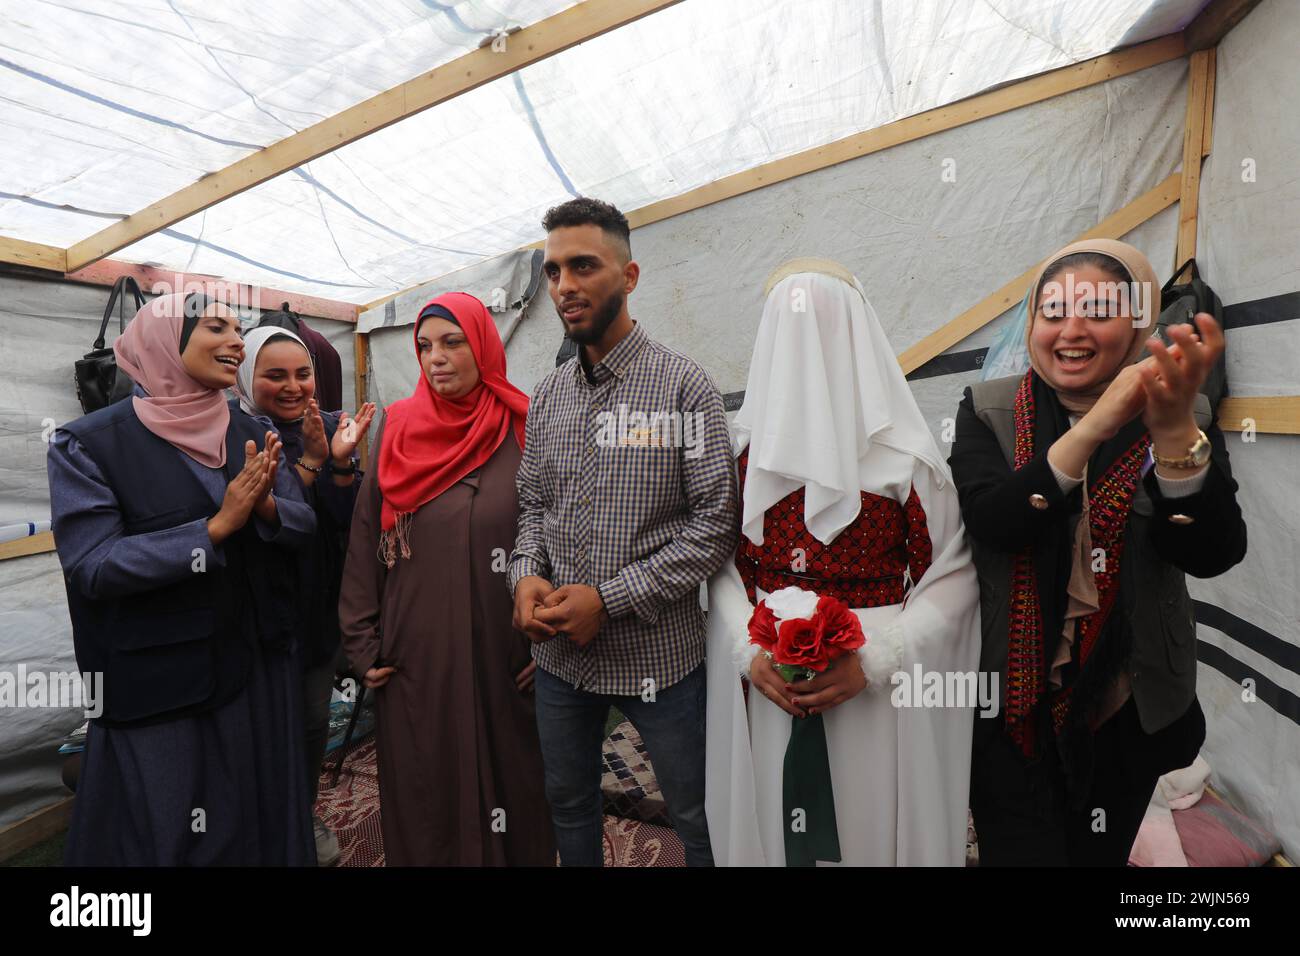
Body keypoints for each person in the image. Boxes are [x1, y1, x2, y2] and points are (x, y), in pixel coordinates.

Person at [948, 239, 1247, 866]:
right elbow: (997, 523)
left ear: (1139, 322)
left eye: (1099, 310)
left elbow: (1212, 550)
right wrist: (1098, 424)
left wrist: (1168, 434)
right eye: (1052, 311)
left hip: (1125, 707)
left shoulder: (1178, 409)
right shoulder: (987, 411)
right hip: (1009, 705)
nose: (1071, 331)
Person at [703, 259, 980, 866]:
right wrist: (749, 656)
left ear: (856, 334)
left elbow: (951, 579)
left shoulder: (906, 460)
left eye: (821, 327)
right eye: (789, 330)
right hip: (772, 684)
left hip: (876, 692)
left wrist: (876, 660)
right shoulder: (743, 455)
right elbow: (721, 570)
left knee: (870, 826)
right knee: (776, 822)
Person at [49, 292, 317, 865]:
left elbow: (301, 522)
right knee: (173, 831)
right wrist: (215, 528)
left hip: (258, 669)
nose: (237, 341)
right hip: (164, 683)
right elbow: (92, 564)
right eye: (216, 327)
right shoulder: (89, 444)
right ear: (166, 341)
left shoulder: (250, 426)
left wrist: (268, 509)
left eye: (239, 329)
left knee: (262, 819)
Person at [509, 197, 738, 867]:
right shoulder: (548, 395)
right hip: (559, 663)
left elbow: (714, 527)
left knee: (698, 817)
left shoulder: (683, 388)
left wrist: (605, 599)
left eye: (583, 266)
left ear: (630, 276)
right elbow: (531, 507)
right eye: (552, 271)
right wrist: (525, 576)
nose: (564, 287)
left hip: (659, 663)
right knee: (570, 804)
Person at [338, 292, 554, 866]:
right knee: (426, 784)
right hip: (417, 652)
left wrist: (549, 637)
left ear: (483, 344)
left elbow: (563, 533)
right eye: (425, 346)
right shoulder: (398, 431)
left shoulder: (526, 425)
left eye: (453, 342)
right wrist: (361, 643)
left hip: (506, 649)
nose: (436, 358)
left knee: (515, 779)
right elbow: (365, 543)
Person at [231, 325, 375, 866]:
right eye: (275, 375)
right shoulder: (235, 431)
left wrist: (339, 461)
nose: (293, 387)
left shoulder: (332, 424)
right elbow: (265, 523)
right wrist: (311, 465)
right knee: (261, 721)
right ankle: (256, 818)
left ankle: (302, 809)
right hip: (258, 608)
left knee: (312, 720)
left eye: (303, 374)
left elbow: (341, 524)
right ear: (249, 378)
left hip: (317, 607)